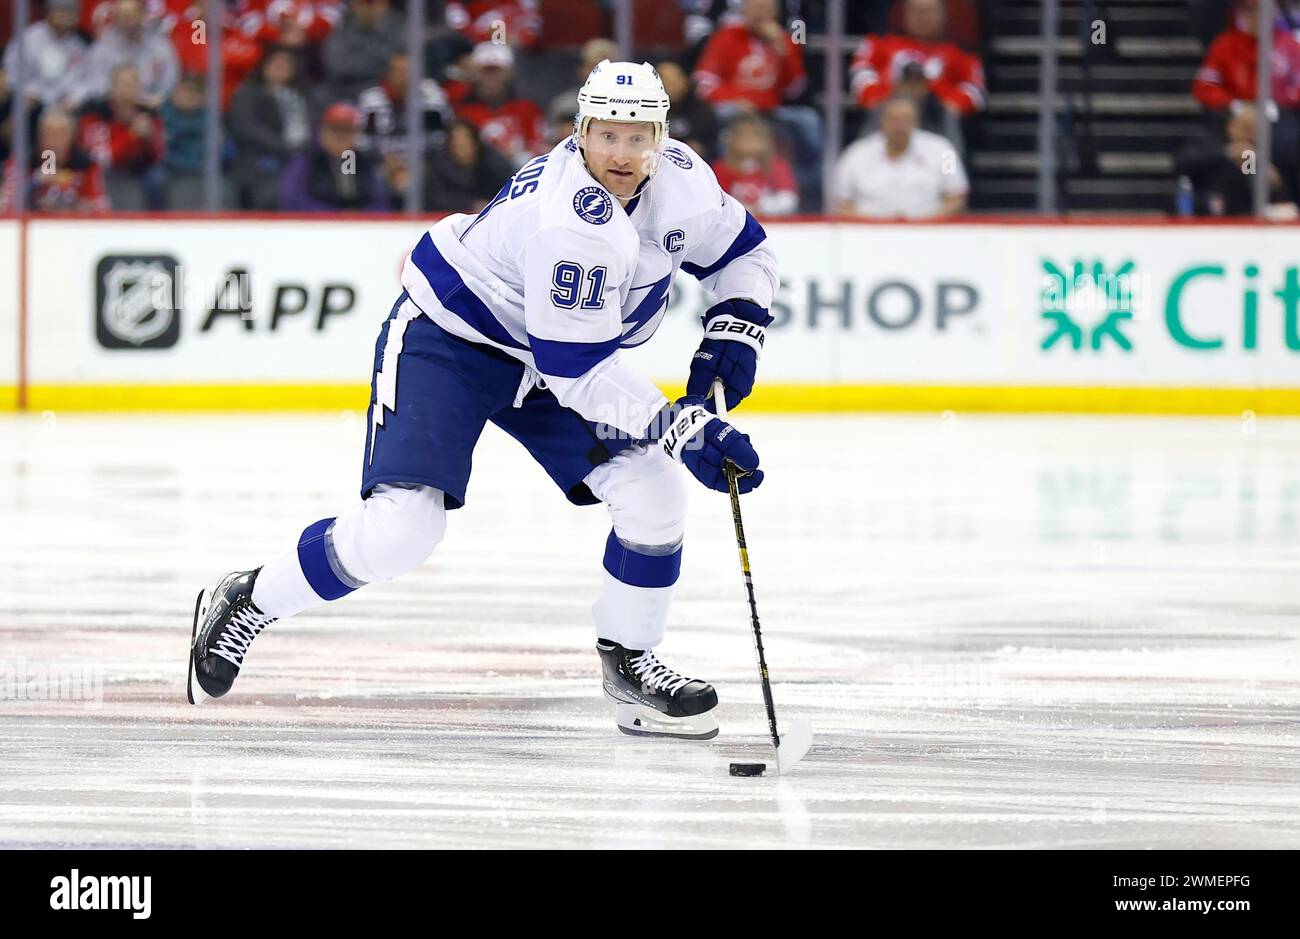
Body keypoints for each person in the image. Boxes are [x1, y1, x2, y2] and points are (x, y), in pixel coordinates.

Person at [186, 61, 780, 743]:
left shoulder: (684, 181)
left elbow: (746, 252)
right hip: (455, 338)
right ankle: (250, 599)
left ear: (662, 137)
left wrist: (738, 327)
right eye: (606, 134)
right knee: (401, 531)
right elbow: (578, 368)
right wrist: (681, 426)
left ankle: (630, 665)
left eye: (637, 136)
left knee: (653, 491)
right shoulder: (572, 223)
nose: (621, 153)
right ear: (580, 132)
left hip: (551, 351)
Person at [849, 0, 986, 146]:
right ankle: (875, 163)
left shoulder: (959, 52)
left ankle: (949, 167)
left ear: (944, 14)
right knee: (881, 111)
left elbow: (975, 88)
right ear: (904, 12)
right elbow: (861, 71)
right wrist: (875, 95)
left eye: (929, 11)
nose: (922, 17)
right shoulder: (880, 43)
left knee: (948, 118)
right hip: (887, 117)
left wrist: (954, 103)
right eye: (916, 11)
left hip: (936, 122)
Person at [834, 95, 969, 218]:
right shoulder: (855, 153)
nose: (900, 126)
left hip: (927, 231)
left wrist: (928, 223)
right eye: (894, 119)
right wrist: (867, 225)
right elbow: (840, 202)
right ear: (882, 121)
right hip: (868, 232)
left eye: (906, 120)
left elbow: (957, 196)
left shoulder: (945, 150)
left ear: (915, 122)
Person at [228, 46, 312, 210]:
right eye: (276, 62)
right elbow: (245, 126)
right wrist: (284, 147)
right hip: (263, 159)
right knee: (272, 193)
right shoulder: (248, 93)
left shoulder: (305, 95)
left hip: (303, 158)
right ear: (263, 66)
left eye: (287, 63)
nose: (281, 66)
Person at [1175, 103, 1297, 216]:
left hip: (1250, 219)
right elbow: (1182, 165)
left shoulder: (1267, 153)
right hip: (1210, 214)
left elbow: (1279, 197)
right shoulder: (1209, 142)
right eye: (1246, 128)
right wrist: (1227, 153)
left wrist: (1273, 181)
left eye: (1256, 129)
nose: (1251, 134)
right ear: (1231, 127)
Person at [76, 62, 166, 209]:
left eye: (131, 86)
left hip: (138, 172)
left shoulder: (149, 114)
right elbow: (101, 157)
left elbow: (158, 156)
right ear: (111, 89)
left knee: (157, 177)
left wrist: (150, 139)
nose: (126, 92)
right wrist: (132, 135)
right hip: (107, 173)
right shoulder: (95, 114)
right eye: (122, 85)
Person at [278, 100, 389, 211]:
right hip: (317, 226)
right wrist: (336, 217)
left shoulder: (365, 162)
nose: (340, 136)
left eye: (346, 130)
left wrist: (359, 217)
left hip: (360, 226)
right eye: (334, 129)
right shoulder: (306, 161)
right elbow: (293, 200)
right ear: (322, 131)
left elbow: (379, 201)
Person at [453, 42, 547, 167]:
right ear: (475, 74)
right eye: (486, 71)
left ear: (508, 73)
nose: (491, 78)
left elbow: (541, 148)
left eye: (496, 71)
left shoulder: (527, 109)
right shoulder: (463, 112)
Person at [0, 108, 109, 212]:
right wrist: (34, 182)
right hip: (34, 224)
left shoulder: (87, 164)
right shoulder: (22, 162)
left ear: (71, 137)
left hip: (72, 226)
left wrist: (76, 206)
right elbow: (6, 204)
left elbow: (100, 207)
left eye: (60, 135)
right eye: (49, 135)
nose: (54, 141)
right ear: (40, 137)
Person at [77, 0, 180, 108]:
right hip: (113, 108)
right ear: (116, 19)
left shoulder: (161, 46)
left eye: (132, 15)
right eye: (123, 16)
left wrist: (156, 98)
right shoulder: (102, 48)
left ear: (143, 15)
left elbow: (170, 82)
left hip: (152, 108)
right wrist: (131, 97)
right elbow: (96, 85)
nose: (128, 21)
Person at [2, 0, 89, 111]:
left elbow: (83, 81)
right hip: (30, 99)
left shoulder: (81, 45)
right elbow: (11, 73)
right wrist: (29, 91)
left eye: (70, 12)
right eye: (60, 11)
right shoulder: (29, 38)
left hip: (64, 105)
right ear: (48, 13)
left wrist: (75, 97)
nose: (65, 16)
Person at [711, 113, 798, 215]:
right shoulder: (721, 168)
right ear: (732, 140)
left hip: (774, 224)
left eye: (755, 134)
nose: (749, 139)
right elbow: (716, 202)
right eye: (742, 135)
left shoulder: (777, 166)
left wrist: (761, 208)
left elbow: (789, 200)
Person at [423, 116, 514, 212]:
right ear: (449, 146)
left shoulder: (494, 163)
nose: (462, 150)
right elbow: (436, 197)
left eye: (466, 143)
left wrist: (493, 205)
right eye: (457, 145)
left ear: (475, 143)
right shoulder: (439, 166)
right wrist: (471, 205)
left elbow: (510, 189)